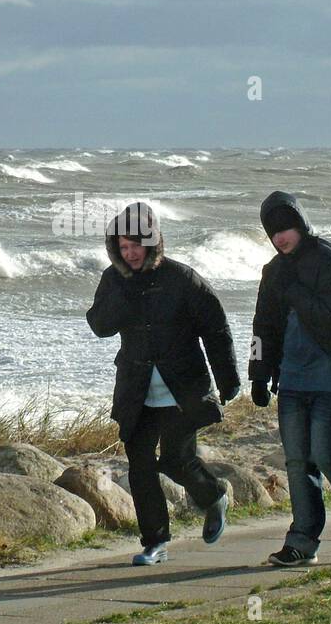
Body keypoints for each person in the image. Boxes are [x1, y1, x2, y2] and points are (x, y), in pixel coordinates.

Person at [86, 202, 241, 566]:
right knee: (139, 465)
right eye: (122, 248)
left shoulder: (182, 279)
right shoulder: (113, 280)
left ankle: (213, 495)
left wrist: (228, 378)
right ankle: (155, 543)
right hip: (136, 390)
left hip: (181, 389)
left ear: (152, 242)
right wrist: (122, 292)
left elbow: (216, 329)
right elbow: (99, 325)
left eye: (135, 245)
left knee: (174, 460)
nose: (130, 253)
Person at [248, 191, 331, 564]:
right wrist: (259, 375)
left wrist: (293, 289)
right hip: (291, 377)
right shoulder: (273, 272)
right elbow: (263, 326)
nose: (281, 237)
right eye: (273, 232)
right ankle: (301, 541)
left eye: (286, 227)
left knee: (330, 454)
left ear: (300, 224)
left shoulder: (328, 258)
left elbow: (326, 313)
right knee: (298, 461)